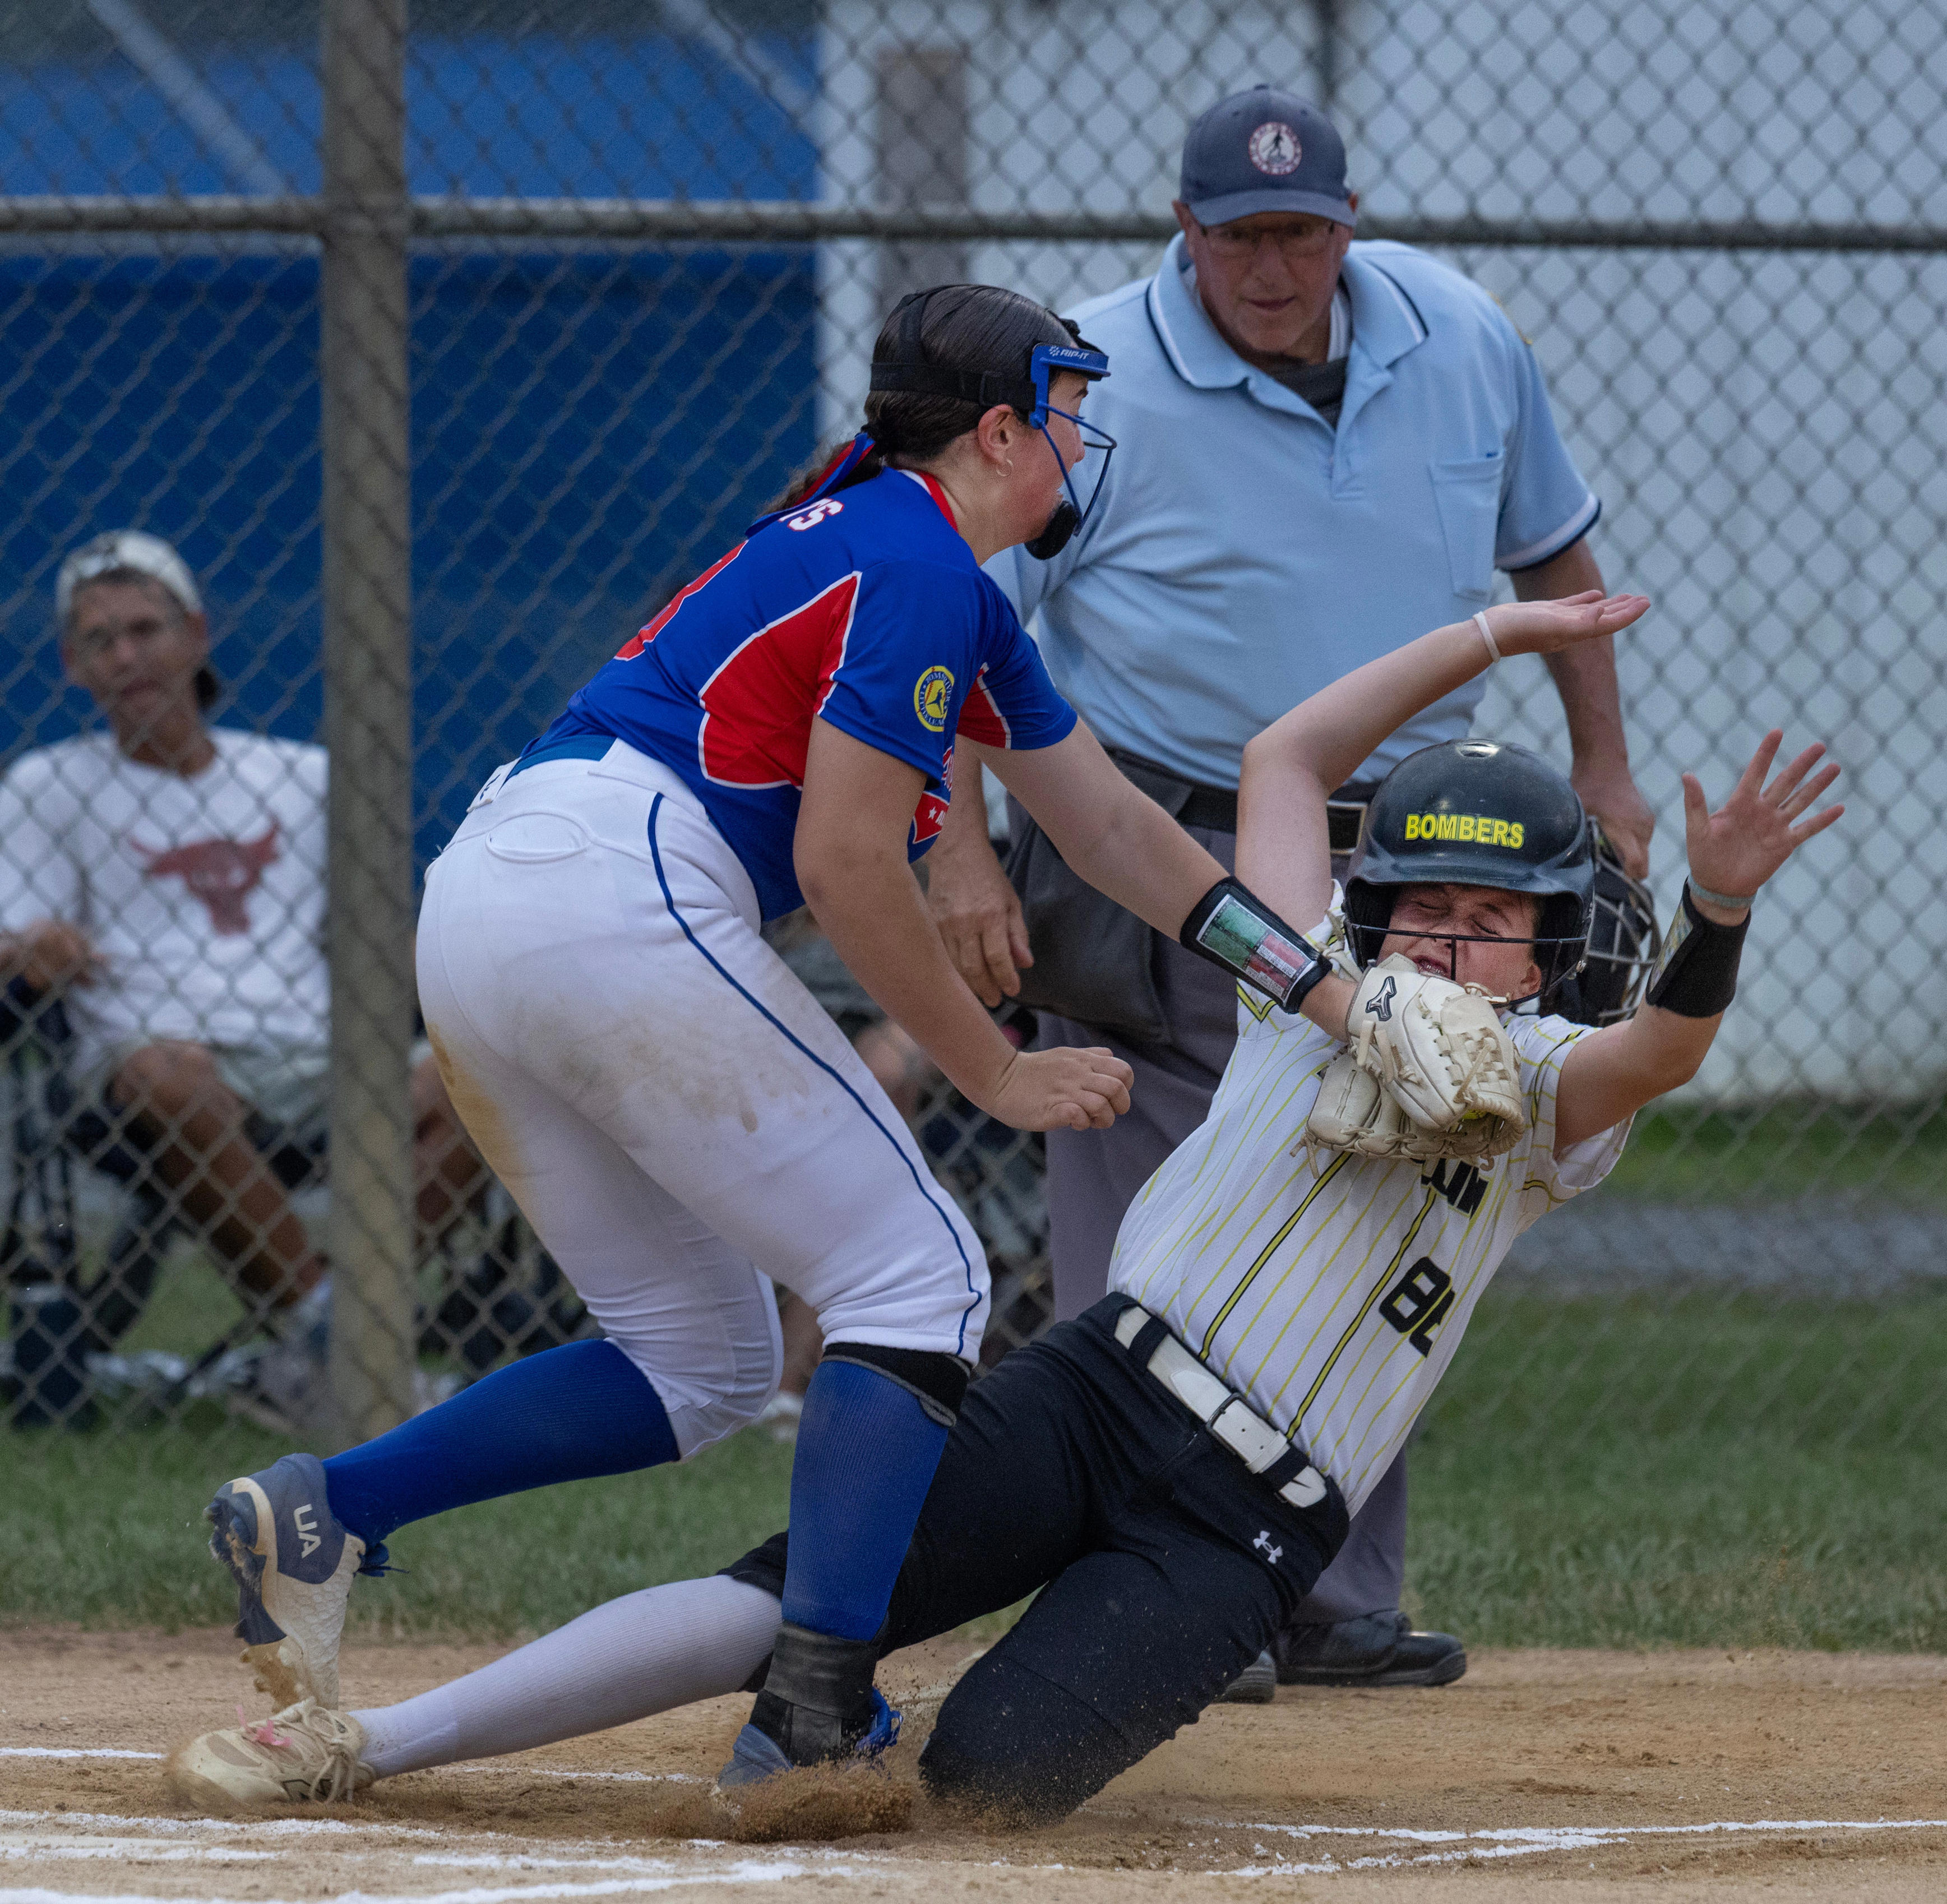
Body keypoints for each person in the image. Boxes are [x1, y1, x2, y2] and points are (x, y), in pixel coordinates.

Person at [168, 589, 1844, 1819]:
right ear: (1372, 904)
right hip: (1093, 1385)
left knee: (981, 1782)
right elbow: (1286, 753)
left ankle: (873, 1735)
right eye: (1429, 906)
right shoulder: (1303, 983)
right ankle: (363, 1743)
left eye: (1500, 917)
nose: (1455, 944)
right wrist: (1496, 631)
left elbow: (1668, 1048)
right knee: (791, 1605)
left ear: (1554, 944)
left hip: (1246, 1524)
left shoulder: (1551, 1088)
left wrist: (1713, 901)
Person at [197, 284, 1317, 1789]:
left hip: (496, 900)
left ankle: (329, 1506)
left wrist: (1313, 981)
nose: (1075, 444)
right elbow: (858, 863)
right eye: (1062, 411)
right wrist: (992, 1070)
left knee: (702, 1357)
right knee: (919, 1270)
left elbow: (1112, 826)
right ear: (996, 431)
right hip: (613, 890)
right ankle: (812, 1706)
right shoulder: (916, 553)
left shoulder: (924, 569)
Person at [924, 85, 1658, 1688]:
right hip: (1158, 831)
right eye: (1238, 233)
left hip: (1418, 850)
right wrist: (961, 840)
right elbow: (956, 610)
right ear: (1181, 231)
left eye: (1300, 231)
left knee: (1398, 1181)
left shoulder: (1458, 332)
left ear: (1346, 222)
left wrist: (1601, 770)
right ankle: (1161, 1572)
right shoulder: (1092, 376)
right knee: (1153, 1205)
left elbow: (1559, 569)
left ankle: (1321, 1595)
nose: (1272, 262)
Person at [0, 532, 479, 1416]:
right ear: (72, 665)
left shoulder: (303, 778)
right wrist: (35, 951)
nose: (128, 655)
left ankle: (319, 1348)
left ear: (196, 634)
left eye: (146, 629)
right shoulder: (47, 785)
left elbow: (386, 937)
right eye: (101, 640)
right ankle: (338, 1340)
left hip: (318, 1055)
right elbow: (10, 937)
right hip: (148, 1067)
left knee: (484, 1076)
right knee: (168, 1074)